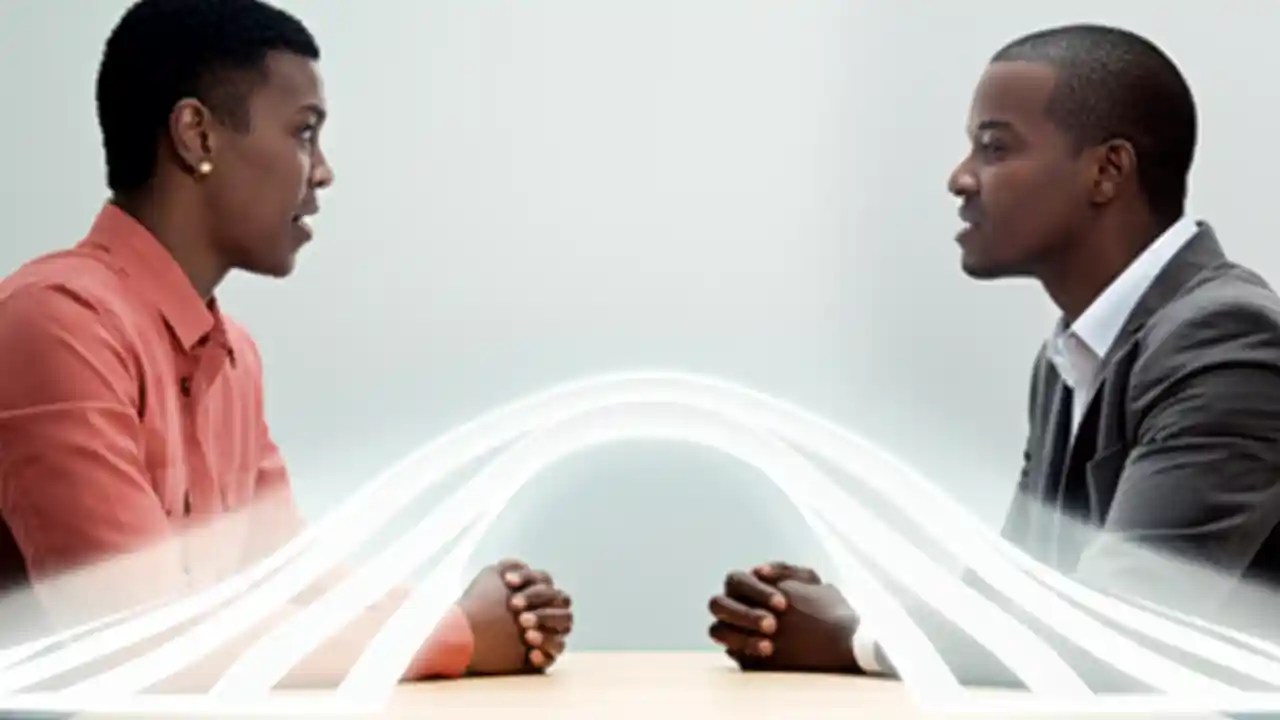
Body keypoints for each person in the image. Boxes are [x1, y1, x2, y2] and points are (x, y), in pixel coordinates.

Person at [0, 0, 572, 689]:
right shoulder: (55, 324)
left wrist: (462, 617)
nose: (322, 171)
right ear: (197, 136)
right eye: (304, 132)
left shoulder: (231, 354)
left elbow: (292, 578)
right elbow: (144, 643)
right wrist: (456, 636)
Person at [706, 23, 1280, 686]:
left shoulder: (1227, 341)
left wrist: (860, 636)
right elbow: (1017, 598)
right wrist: (823, 613)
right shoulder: (1072, 356)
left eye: (994, 147)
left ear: (1106, 171)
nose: (960, 178)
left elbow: (1123, 632)